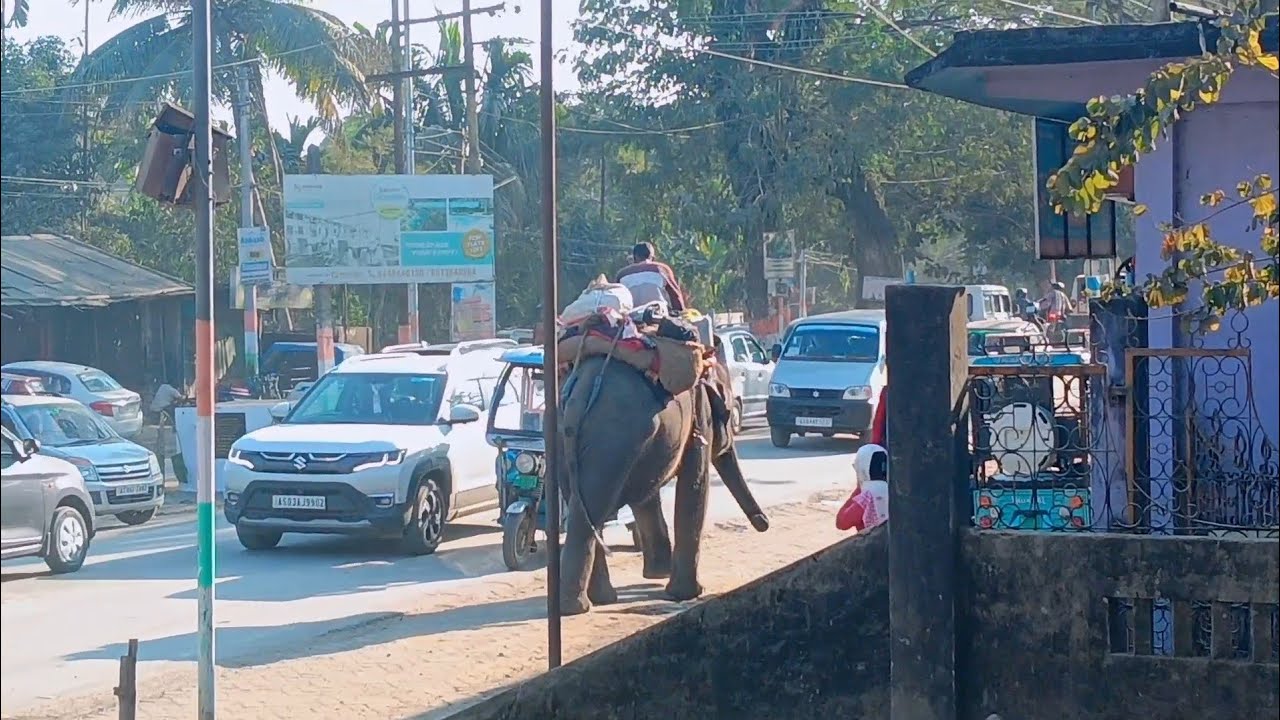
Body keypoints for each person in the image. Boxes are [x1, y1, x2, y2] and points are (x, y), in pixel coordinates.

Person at [615, 242, 687, 312]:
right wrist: (681, 314)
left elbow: (616, 299)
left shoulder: (622, 274)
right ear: (652, 257)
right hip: (659, 314)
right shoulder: (661, 269)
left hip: (632, 317)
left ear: (634, 257)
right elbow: (675, 295)